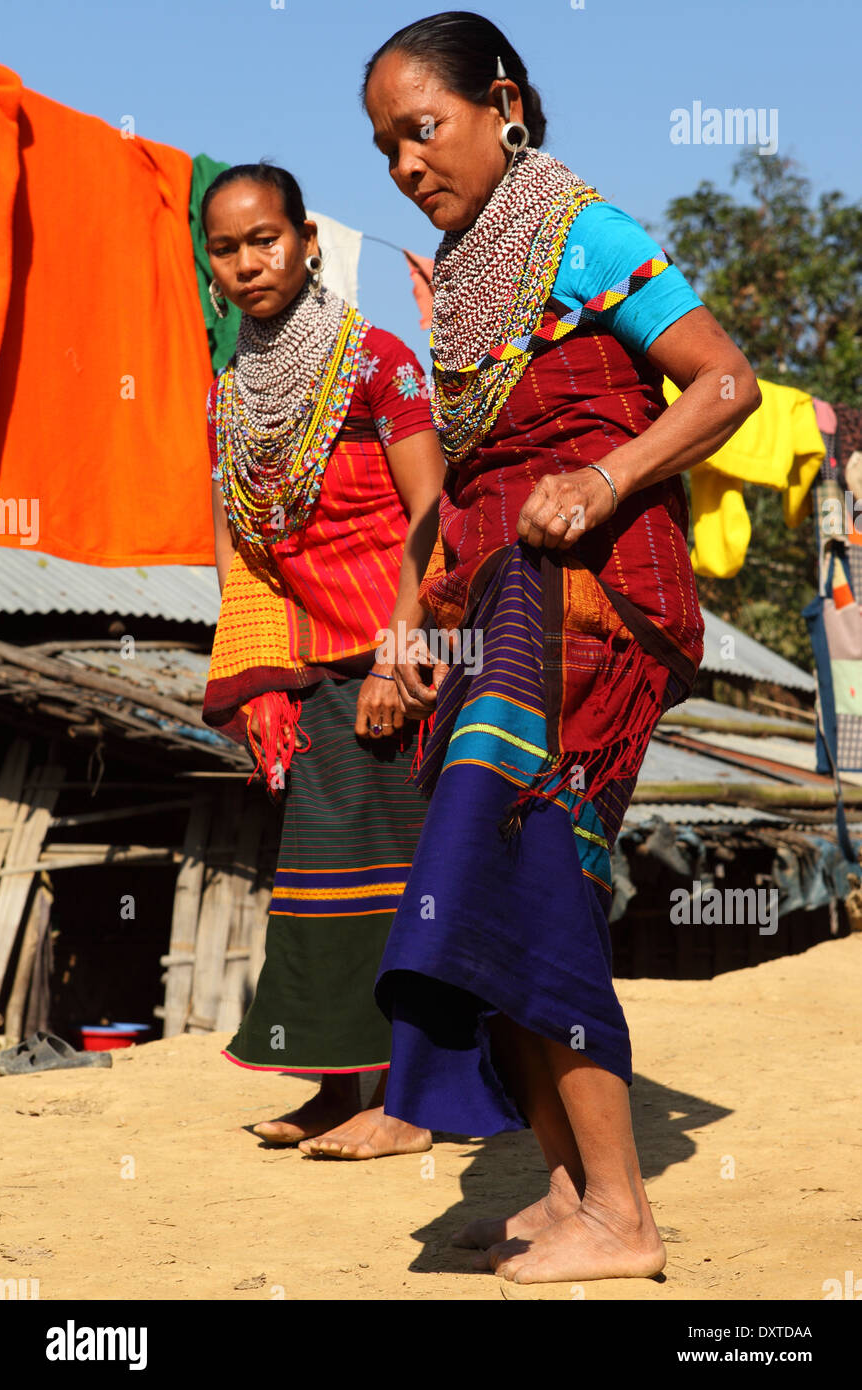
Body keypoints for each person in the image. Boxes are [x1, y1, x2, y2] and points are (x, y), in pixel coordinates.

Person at [362, 12, 761, 1278]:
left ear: (505, 106)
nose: (404, 165)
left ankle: (625, 1217)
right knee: (490, 869)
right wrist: (411, 620)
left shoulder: (579, 227)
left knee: (526, 857)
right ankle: (565, 1188)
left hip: (590, 593)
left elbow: (723, 383)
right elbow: (464, 488)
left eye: (422, 129)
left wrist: (602, 475)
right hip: (489, 597)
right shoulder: (462, 278)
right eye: (382, 148)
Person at [200, 162, 445, 1159]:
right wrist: (257, 666)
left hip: (397, 656)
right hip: (308, 674)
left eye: (264, 238)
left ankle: (413, 1099)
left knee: (402, 883)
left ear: (305, 239)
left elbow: (434, 508)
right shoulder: (228, 396)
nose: (248, 262)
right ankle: (336, 1086)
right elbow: (231, 536)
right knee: (318, 886)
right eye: (226, 248)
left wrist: (400, 645)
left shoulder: (377, 360)